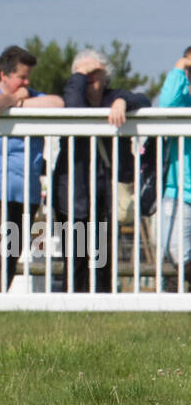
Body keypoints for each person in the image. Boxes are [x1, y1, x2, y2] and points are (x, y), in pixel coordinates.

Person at [0, 46, 64, 291]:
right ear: (4, 75)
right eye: (21, 76)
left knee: (11, 254)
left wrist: (16, 102)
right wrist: (16, 100)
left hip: (25, 193)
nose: (26, 82)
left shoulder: (32, 95)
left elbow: (57, 103)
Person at [52, 50, 149, 293]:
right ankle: (71, 305)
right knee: (74, 257)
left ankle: (103, 305)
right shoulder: (72, 97)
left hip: (105, 194)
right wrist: (80, 77)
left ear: (106, 77)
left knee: (102, 258)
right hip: (72, 192)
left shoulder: (113, 97)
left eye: (97, 74)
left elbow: (144, 100)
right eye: (85, 75)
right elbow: (73, 110)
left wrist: (123, 102)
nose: (92, 80)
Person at [156, 47, 191, 286]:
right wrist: (180, 66)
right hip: (179, 190)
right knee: (173, 250)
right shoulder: (182, 101)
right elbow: (166, 104)